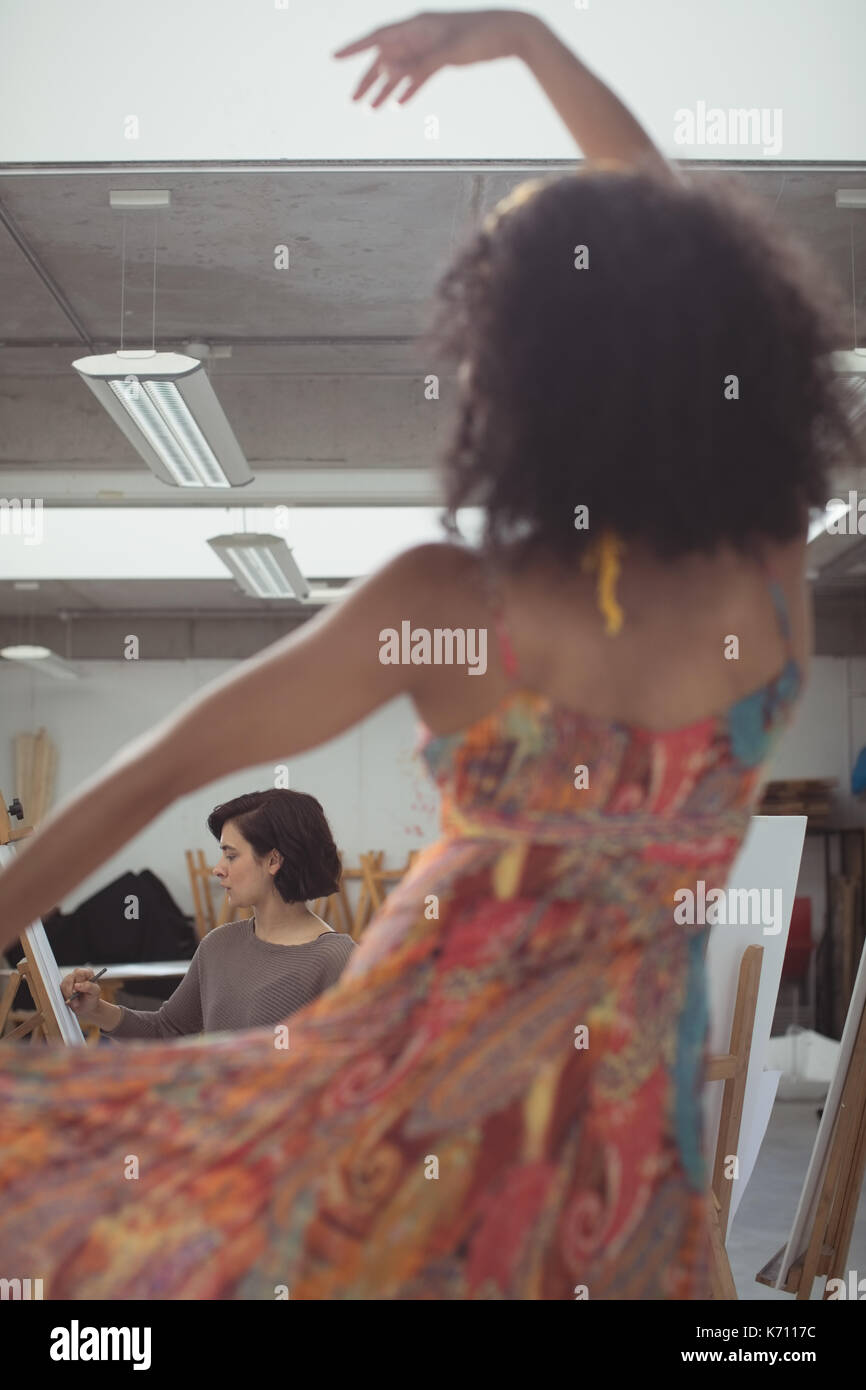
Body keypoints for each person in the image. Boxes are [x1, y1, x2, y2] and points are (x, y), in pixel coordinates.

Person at [0, 8, 858, 1299]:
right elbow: (698, 279)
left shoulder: (454, 600)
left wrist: (521, 42)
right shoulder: (770, 577)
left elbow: (149, 775)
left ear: (513, 382)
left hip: (409, 1091)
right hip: (629, 1111)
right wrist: (528, 44)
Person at [60, 790, 355, 1039]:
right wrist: (95, 1010)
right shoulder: (218, 945)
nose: (218, 868)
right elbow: (167, 1030)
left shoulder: (335, 959)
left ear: (273, 860)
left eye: (231, 855)